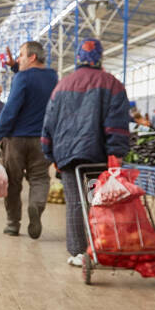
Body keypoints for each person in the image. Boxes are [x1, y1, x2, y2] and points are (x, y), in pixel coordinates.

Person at [40, 38, 130, 267]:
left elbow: (49, 123)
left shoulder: (62, 86)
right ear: (100, 58)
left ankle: (79, 252)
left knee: (75, 203)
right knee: (95, 200)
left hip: (68, 157)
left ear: (78, 58)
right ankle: (99, 246)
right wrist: (116, 153)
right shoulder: (112, 84)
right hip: (97, 157)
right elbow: (116, 124)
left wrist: (50, 153)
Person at [0, 40, 56, 239]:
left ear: (32, 57)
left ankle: (13, 224)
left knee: (13, 182)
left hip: (16, 141)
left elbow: (10, 110)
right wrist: (15, 66)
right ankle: (36, 206)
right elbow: (35, 83)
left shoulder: (22, 78)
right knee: (40, 178)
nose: (19, 58)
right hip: (42, 140)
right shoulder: (52, 77)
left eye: (21, 55)